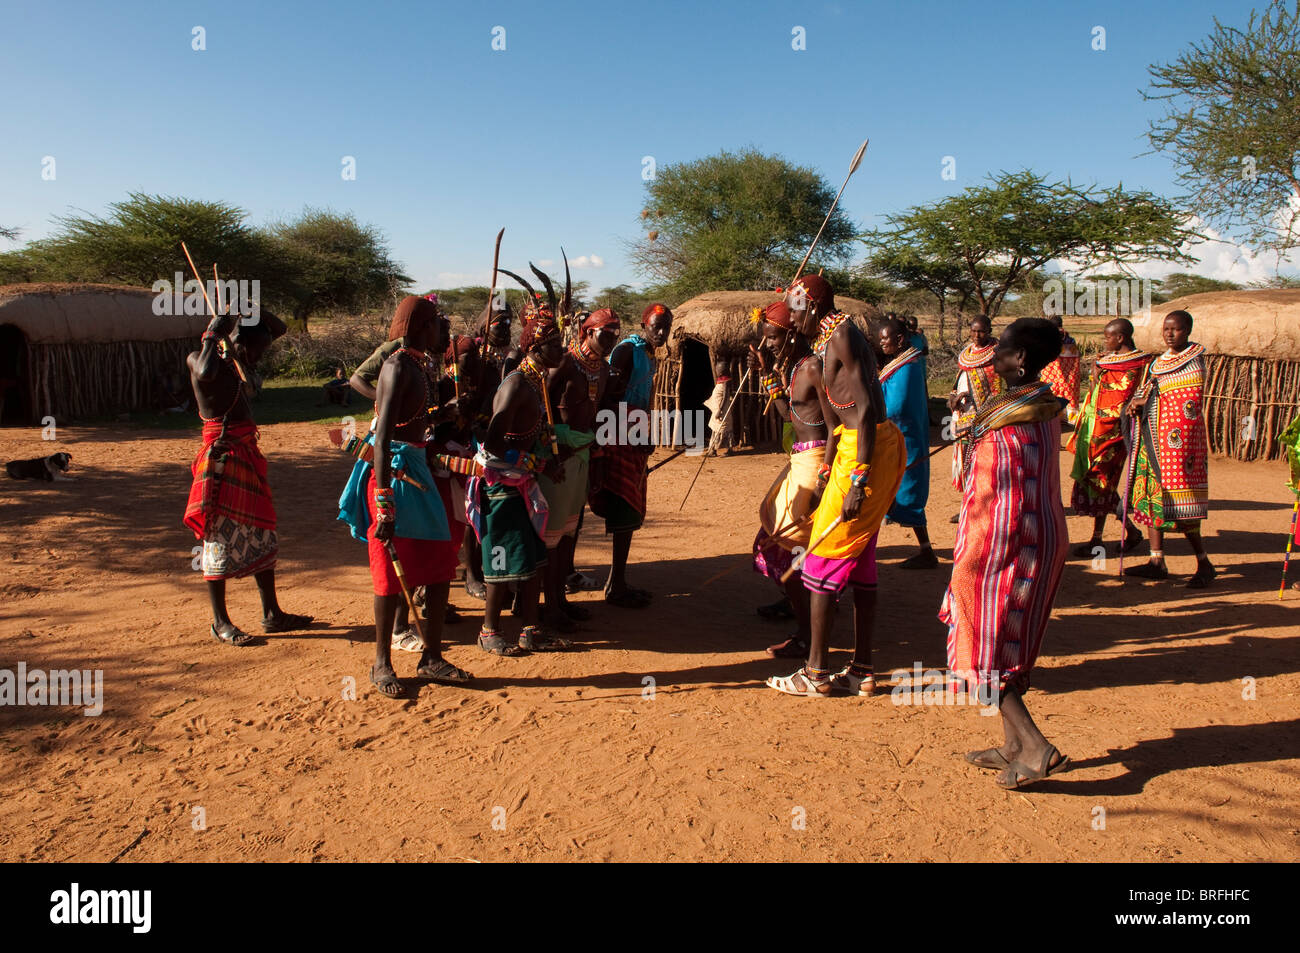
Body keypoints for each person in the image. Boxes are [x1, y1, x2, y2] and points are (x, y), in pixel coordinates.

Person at [942, 317, 1070, 790]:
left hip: (1006, 542)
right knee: (1006, 641)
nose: (992, 357)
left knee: (982, 642)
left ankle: (1036, 748)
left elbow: (995, 498)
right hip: (1038, 537)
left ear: (1019, 360)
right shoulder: (1037, 404)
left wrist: (967, 565)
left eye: (1001, 351)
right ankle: (1013, 746)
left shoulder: (1011, 419)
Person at [765, 275, 905, 698]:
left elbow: (862, 411)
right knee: (859, 559)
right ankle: (862, 670)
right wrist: (834, 469)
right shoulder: (832, 335)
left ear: (813, 305)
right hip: (856, 450)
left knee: (822, 558)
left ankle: (816, 673)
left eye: (795, 309)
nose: (793, 319)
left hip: (866, 453)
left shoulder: (841, 334)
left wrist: (856, 481)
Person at [337, 295, 470, 697]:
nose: (440, 333)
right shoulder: (396, 366)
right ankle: (381, 663)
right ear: (419, 327)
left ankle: (431, 657)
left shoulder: (421, 364)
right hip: (392, 471)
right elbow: (381, 437)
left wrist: (442, 414)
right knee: (388, 570)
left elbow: (412, 420)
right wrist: (383, 499)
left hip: (416, 465)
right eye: (435, 325)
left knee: (439, 557)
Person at [184, 309, 310, 645]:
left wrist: (245, 306)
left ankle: (272, 613)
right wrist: (213, 333)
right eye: (256, 349)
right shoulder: (199, 359)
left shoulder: (241, 366)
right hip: (222, 461)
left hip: (247, 457)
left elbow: (279, 327)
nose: (258, 357)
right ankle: (220, 621)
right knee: (219, 538)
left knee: (262, 529)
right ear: (236, 340)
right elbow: (207, 371)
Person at [467, 311, 572, 654]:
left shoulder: (535, 381)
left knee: (534, 558)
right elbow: (495, 445)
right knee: (500, 558)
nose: (561, 349)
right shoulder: (515, 384)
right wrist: (536, 462)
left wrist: (546, 462)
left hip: (523, 481)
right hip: (501, 484)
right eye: (554, 344)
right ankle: (488, 631)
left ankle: (531, 629)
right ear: (536, 348)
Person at [749, 300, 829, 659]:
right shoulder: (796, 368)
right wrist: (767, 375)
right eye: (766, 339)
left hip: (815, 463)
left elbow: (836, 426)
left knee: (788, 548)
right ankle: (806, 617)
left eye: (772, 338)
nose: (768, 344)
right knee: (777, 541)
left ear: (793, 333)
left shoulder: (813, 367)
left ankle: (809, 634)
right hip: (801, 458)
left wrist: (826, 477)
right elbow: (792, 417)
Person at [1123, 310, 1216, 588]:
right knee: (1152, 497)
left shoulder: (1193, 362)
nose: (1169, 334)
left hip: (1177, 446)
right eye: (1166, 329)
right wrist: (1134, 403)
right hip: (1152, 440)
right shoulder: (1156, 363)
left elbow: (1186, 401)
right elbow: (1148, 389)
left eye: (1175, 329)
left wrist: (1147, 401)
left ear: (1187, 330)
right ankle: (1156, 560)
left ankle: (1204, 562)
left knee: (1181, 502)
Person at [589, 303, 673, 608]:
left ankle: (617, 581)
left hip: (632, 436)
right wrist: (634, 430)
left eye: (666, 327)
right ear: (644, 325)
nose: (662, 333)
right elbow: (606, 399)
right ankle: (616, 585)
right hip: (617, 437)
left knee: (629, 507)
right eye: (656, 326)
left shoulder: (649, 355)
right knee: (623, 505)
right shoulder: (627, 351)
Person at [537, 308, 616, 631]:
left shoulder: (605, 370)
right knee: (552, 535)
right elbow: (540, 406)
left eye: (615, 334)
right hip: (557, 457)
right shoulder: (565, 363)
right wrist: (549, 450)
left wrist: (596, 453)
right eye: (605, 333)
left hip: (582, 455)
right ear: (587, 332)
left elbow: (597, 415)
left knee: (569, 531)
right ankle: (546, 605)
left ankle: (560, 601)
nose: (611, 339)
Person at [1067, 318, 1149, 557]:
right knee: (1097, 481)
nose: (1105, 341)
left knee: (1103, 481)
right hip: (1094, 431)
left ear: (1120, 337)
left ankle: (1102, 538)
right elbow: (1096, 394)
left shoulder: (1139, 365)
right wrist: (1096, 373)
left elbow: (1123, 400)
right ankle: (1116, 535)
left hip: (1116, 433)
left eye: (1107, 337)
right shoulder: (1106, 362)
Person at [876, 316, 935, 568]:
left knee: (901, 494)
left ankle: (926, 553)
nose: (881, 343)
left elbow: (896, 407)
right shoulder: (903, 364)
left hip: (904, 444)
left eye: (885, 339)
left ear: (900, 339)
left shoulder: (908, 367)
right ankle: (925, 550)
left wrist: (869, 410)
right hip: (897, 440)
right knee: (882, 496)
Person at [947, 316, 1003, 520]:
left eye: (981, 331)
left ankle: (986, 505)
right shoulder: (966, 354)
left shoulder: (998, 355)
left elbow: (999, 389)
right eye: (973, 331)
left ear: (989, 330)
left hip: (986, 419)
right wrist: (953, 398)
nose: (976, 335)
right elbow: (958, 382)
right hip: (963, 416)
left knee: (985, 464)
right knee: (967, 462)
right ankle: (968, 505)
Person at [1041, 315, 1082, 423]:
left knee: (1052, 392)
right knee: (1069, 392)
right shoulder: (1070, 338)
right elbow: (1077, 355)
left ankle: (1056, 418)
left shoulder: (1049, 337)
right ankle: (1071, 418)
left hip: (1052, 373)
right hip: (1071, 374)